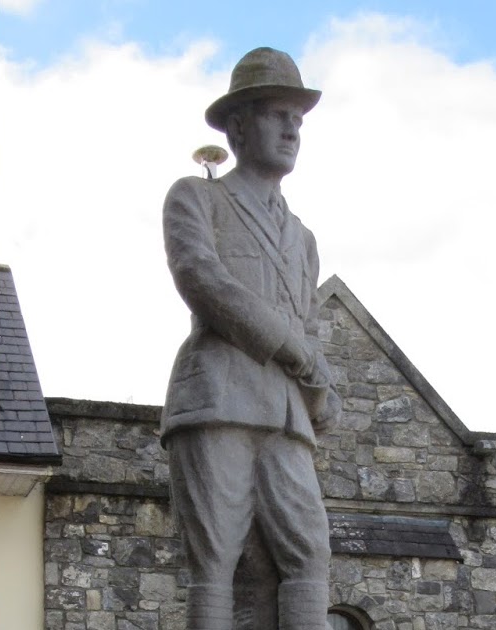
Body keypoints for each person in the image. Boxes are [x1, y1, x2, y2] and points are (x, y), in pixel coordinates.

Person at [160, 47, 342, 630]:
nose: (292, 129)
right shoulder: (198, 197)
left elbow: (308, 327)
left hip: (287, 417)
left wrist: (319, 389)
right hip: (218, 399)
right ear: (238, 127)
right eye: (277, 114)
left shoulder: (303, 238)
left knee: (308, 556)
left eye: (298, 119)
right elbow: (201, 278)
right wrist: (291, 348)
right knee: (217, 559)